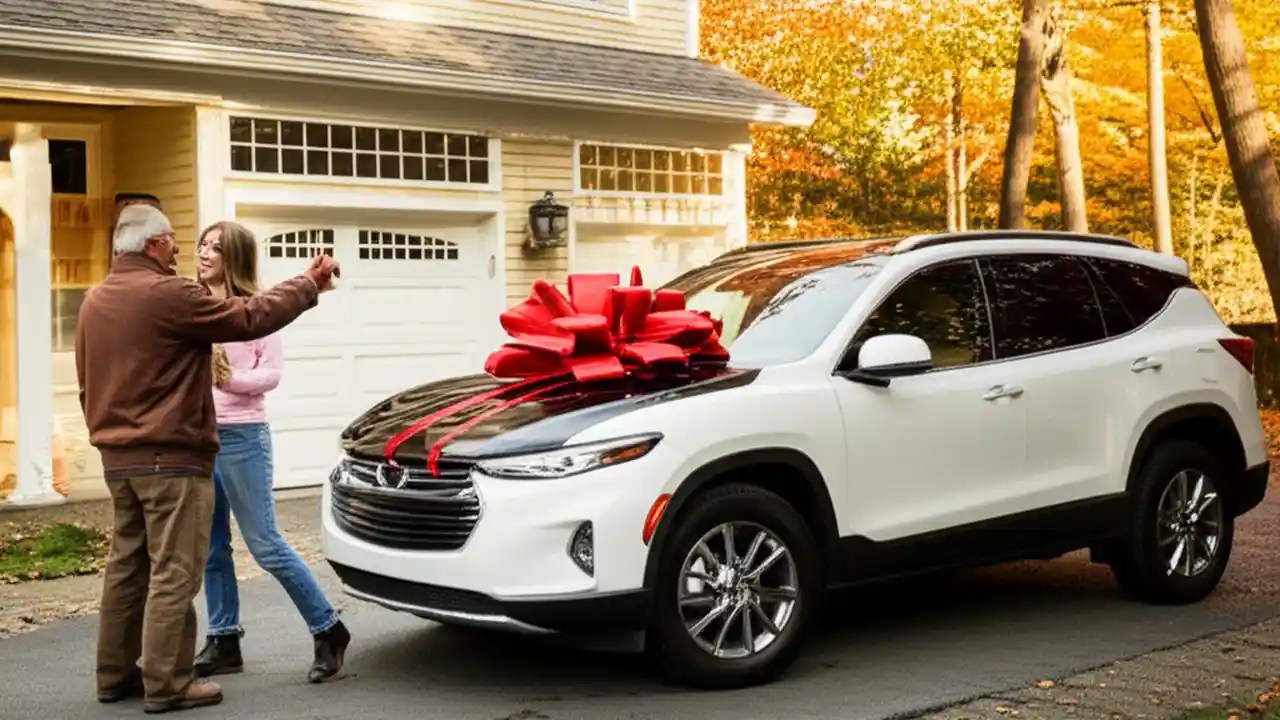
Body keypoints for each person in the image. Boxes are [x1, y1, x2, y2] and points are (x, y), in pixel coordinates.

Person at [76, 205, 339, 713]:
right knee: (176, 570)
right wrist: (307, 283)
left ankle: (114, 675)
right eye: (175, 240)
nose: (184, 249)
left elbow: (88, 382)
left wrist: (107, 437)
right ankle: (168, 683)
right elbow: (248, 316)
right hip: (171, 459)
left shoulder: (94, 301)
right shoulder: (170, 295)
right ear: (153, 245)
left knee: (128, 568)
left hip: (119, 461)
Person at [191, 221, 350, 683]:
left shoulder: (255, 312)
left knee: (265, 544)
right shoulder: (193, 307)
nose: (204, 253)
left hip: (242, 437)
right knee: (212, 547)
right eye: (202, 244)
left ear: (234, 258)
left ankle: (328, 628)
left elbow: (271, 376)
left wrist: (227, 379)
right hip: (201, 438)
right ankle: (224, 640)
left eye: (216, 248)